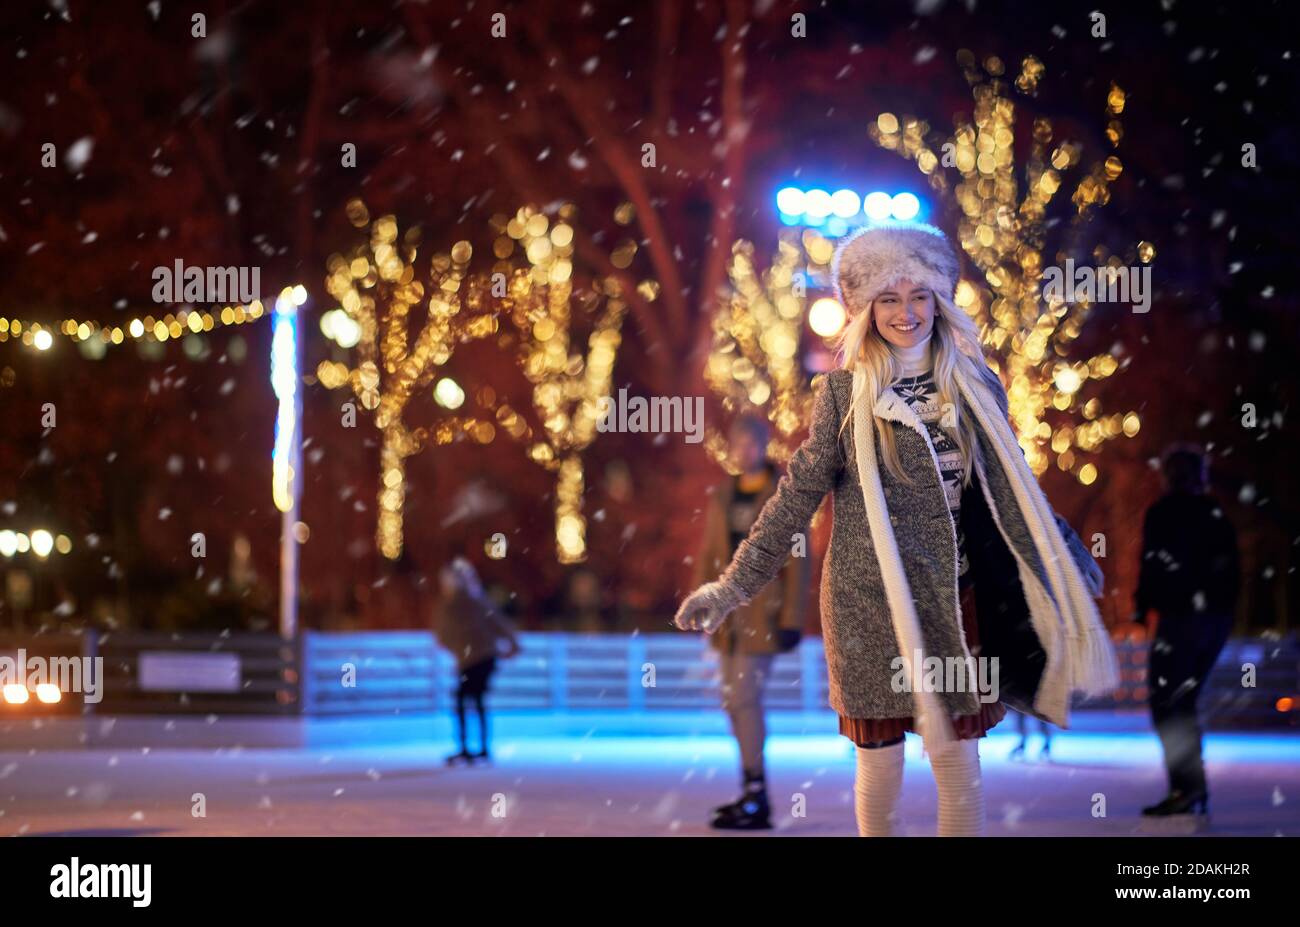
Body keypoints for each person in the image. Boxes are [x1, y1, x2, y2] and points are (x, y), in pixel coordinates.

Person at [674, 221, 1115, 837]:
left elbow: (1013, 486)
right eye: (888, 297)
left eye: (918, 295)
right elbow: (795, 498)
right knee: (879, 773)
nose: (906, 312)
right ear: (864, 310)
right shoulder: (844, 396)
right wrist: (731, 587)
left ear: (939, 299)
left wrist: (1063, 550)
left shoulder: (977, 386)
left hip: (956, 604)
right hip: (869, 608)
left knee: (958, 764)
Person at [688, 413, 811, 830]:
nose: (744, 450)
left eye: (750, 442)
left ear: (763, 445)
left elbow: (798, 560)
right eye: (737, 443)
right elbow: (709, 553)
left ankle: (757, 794)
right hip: (728, 619)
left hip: (764, 615)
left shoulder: (782, 494)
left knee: (743, 699)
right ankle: (751, 792)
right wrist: (701, 600)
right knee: (734, 703)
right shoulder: (723, 494)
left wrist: (792, 617)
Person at [1135, 443, 1239, 822]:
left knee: (1167, 704)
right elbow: (1230, 570)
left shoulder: (1164, 512)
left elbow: (1154, 563)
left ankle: (1186, 788)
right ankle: (1192, 787)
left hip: (1181, 619)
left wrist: (1142, 604)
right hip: (1212, 620)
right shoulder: (1214, 513)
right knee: (1184, 702)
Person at [432, 556, 521, 765]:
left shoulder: (456, 604)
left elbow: (443, 636)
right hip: (483, 658)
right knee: (475, 699)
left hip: (475, 659)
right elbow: (499, 624)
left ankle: (469, 747)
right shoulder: (476, 602)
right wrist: (512, 644)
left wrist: (457, 649)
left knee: (465, 699)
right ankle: (479, 747)